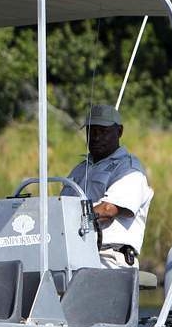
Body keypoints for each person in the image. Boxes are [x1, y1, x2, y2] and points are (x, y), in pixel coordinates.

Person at [64, 104, 154, 269]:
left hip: (109, 257)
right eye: (92, 131)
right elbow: (61, 205)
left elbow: (108, 210)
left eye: (103, 131)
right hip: (73, 254)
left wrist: (67, 219)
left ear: (119, 132)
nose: (96, 137)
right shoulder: (80, 169)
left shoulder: (129, 169)